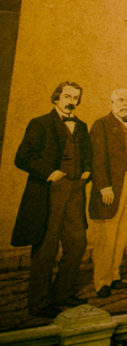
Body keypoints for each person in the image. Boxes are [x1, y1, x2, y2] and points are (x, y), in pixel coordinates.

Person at [13, 81, 92, 317]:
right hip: (49, 194)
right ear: (56, 97)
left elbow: (87, 155)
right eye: (67, 96)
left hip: (75, 192)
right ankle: (39, 303)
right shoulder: (40, 124)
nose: (71, 101)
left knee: (77, 243)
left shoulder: (81, 125)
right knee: (46, 249)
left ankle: (63, 293)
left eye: (76, 98)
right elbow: (22, 158)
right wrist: (48, 172)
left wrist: (87, 170)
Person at [89, 89, 127, 297]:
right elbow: (97, 159)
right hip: (111, 186)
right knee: (106, 236)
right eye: (119, 100)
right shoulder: (101, 125)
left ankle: (115, 275)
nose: (124, 104)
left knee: (121, 233)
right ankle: (102, 282)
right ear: (111, 102)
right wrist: (103, 186)